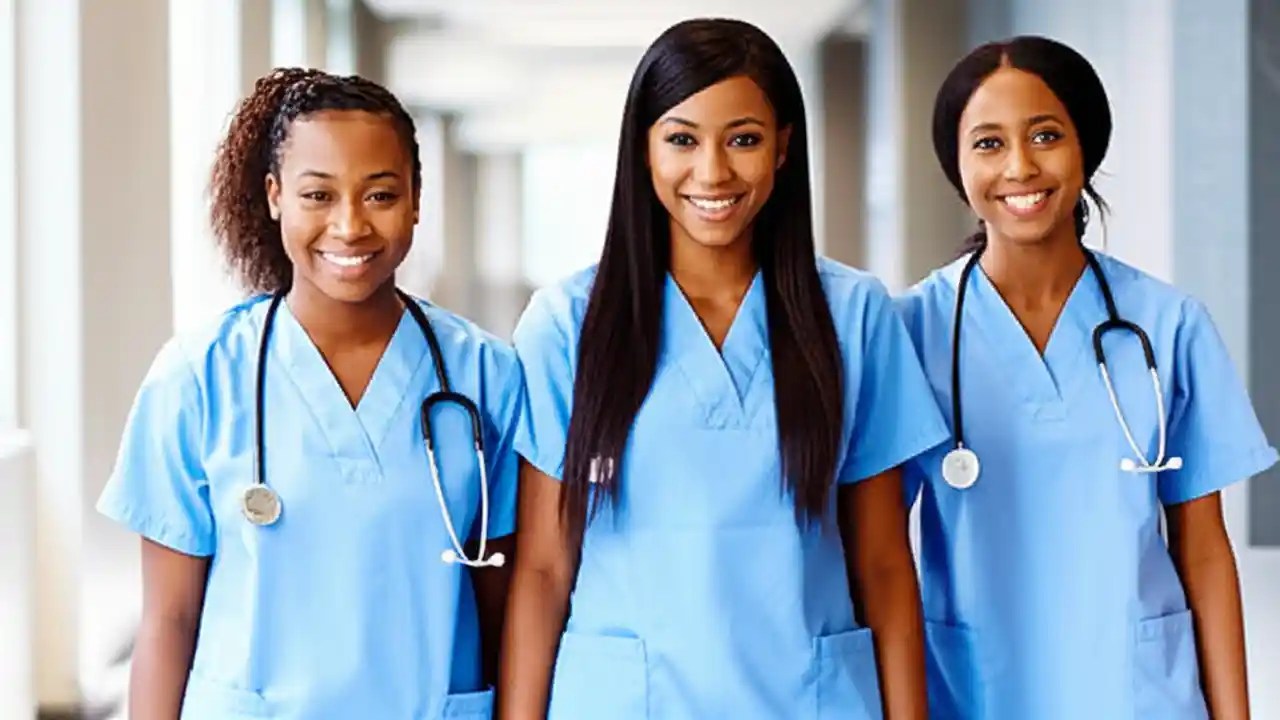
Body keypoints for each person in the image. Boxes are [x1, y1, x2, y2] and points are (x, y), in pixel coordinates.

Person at [500, 18, 948, 720]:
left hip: (809, 699)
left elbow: (886, 565)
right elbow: (544, 570)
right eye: (682, 139)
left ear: (782, 149)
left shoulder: (853, 316)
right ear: (643, 150)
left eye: (743, 139)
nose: (712, 172)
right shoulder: (567, 325)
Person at [97, 68, 522, 719]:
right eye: (318, 195)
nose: (349, 225)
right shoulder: (198, 377)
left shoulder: (486, 376)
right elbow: (168, 622)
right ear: (274, 197)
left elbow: (505, 607)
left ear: (415, 200)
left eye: (379, 195)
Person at [897, 35, 1278, 719]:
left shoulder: (1168, 326)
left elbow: (1205, 552)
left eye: (1046, 134)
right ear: (955, 164)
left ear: (1086, 147)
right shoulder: (910, 332)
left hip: (1138, 696)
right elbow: (877, 557)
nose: (1019, 166)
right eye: (987, 143)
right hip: (975, 693)